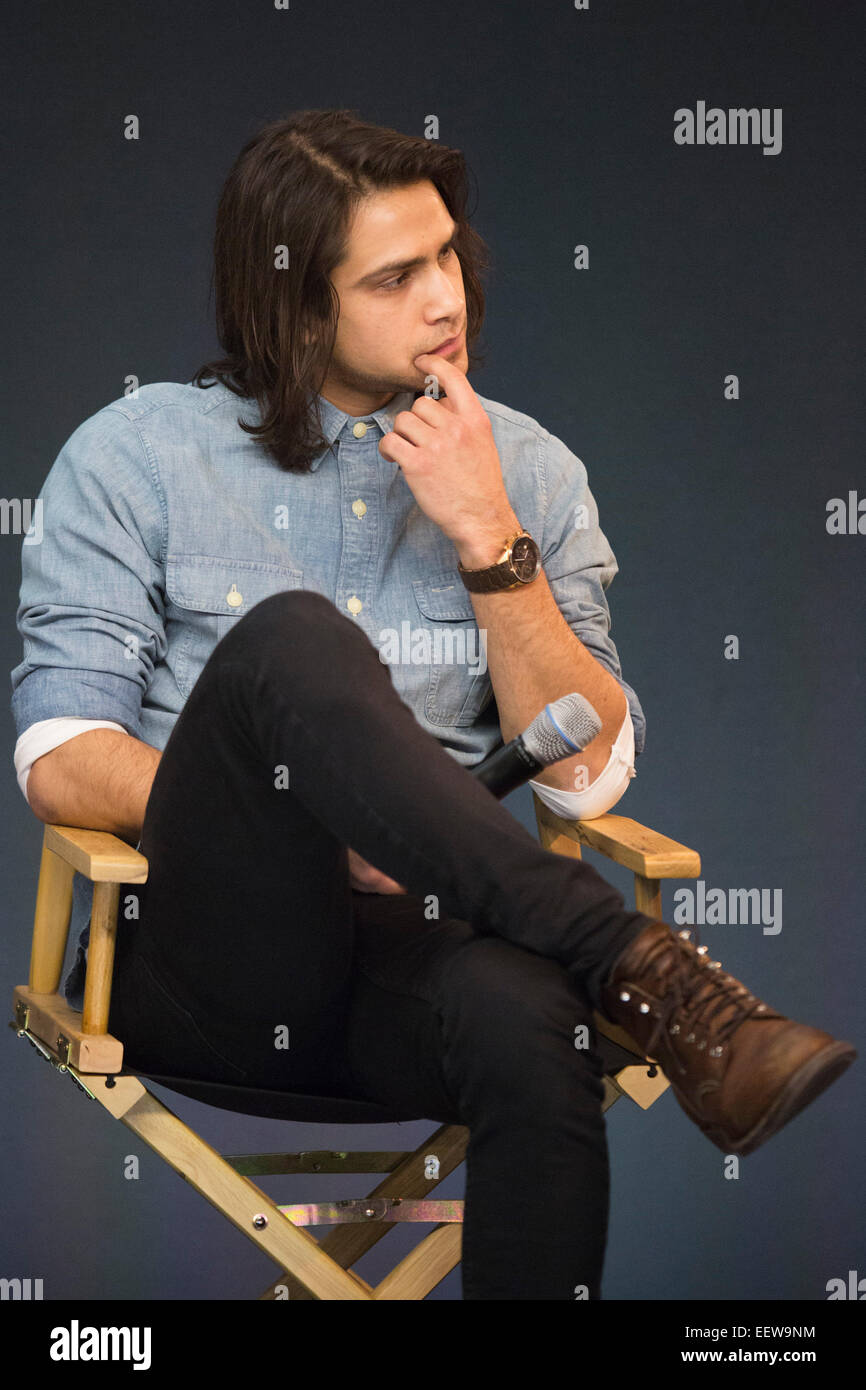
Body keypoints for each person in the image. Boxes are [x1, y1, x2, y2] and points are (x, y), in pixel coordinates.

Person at [11, 110, 856, 1300]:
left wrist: (487, 535)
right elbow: (57, 751)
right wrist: (295, 817)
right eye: (395, 276)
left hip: (421, 956)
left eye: (447, 256)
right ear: (298, 305)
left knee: (530, 1025)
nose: (444, 298)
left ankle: (603, 975)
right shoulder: (136, 455)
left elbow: (586, 779)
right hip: (211, 963)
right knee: (292, 640)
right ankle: (639, 964)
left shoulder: (531, 473)